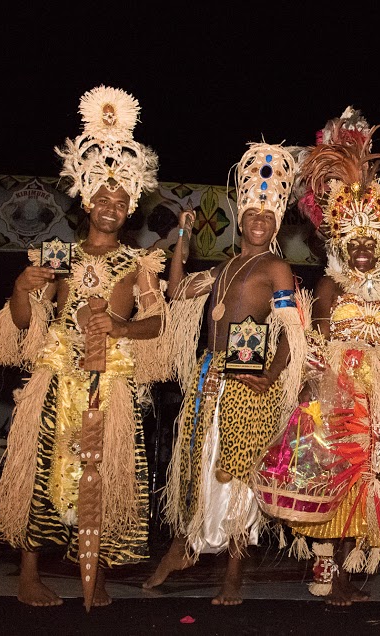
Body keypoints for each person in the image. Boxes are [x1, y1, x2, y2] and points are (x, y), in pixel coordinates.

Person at [0, 86, 168, 607]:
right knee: (40, 468)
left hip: (110, 381)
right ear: (86, 199)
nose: (110, 207)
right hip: (56, 376)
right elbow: (26, 323)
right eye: (102, 198)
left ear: (131, 207)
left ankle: (99, 573)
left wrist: (119, 328)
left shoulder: (139, 264)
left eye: (120, 200)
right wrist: (21, 288)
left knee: (106, 474)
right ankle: (28, 574)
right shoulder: (56, 255)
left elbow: (157, 326)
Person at [142, 143, 308, 605]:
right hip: (209, 377)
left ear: (276, 223)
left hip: (248, 383)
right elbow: (175, 291)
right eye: (253, 211)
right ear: (241, 217)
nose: (259, 220)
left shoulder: (276, 266)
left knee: (239, 475)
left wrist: (274, 376)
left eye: (268, 215)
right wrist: (182, 242)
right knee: (197, 465)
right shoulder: (223, 268)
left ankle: (234, 573)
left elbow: (291, 329)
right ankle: (183, 547)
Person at [284, 108, 380, 606]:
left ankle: (348, 561)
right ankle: (333, 568)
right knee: (338, 471)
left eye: (372, 242)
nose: (366, 251)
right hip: (340, 387)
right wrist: (317, 390)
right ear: (342, 246)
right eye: (356, 243)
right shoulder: (329, 285)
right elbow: (321, 339)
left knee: (373, 472)